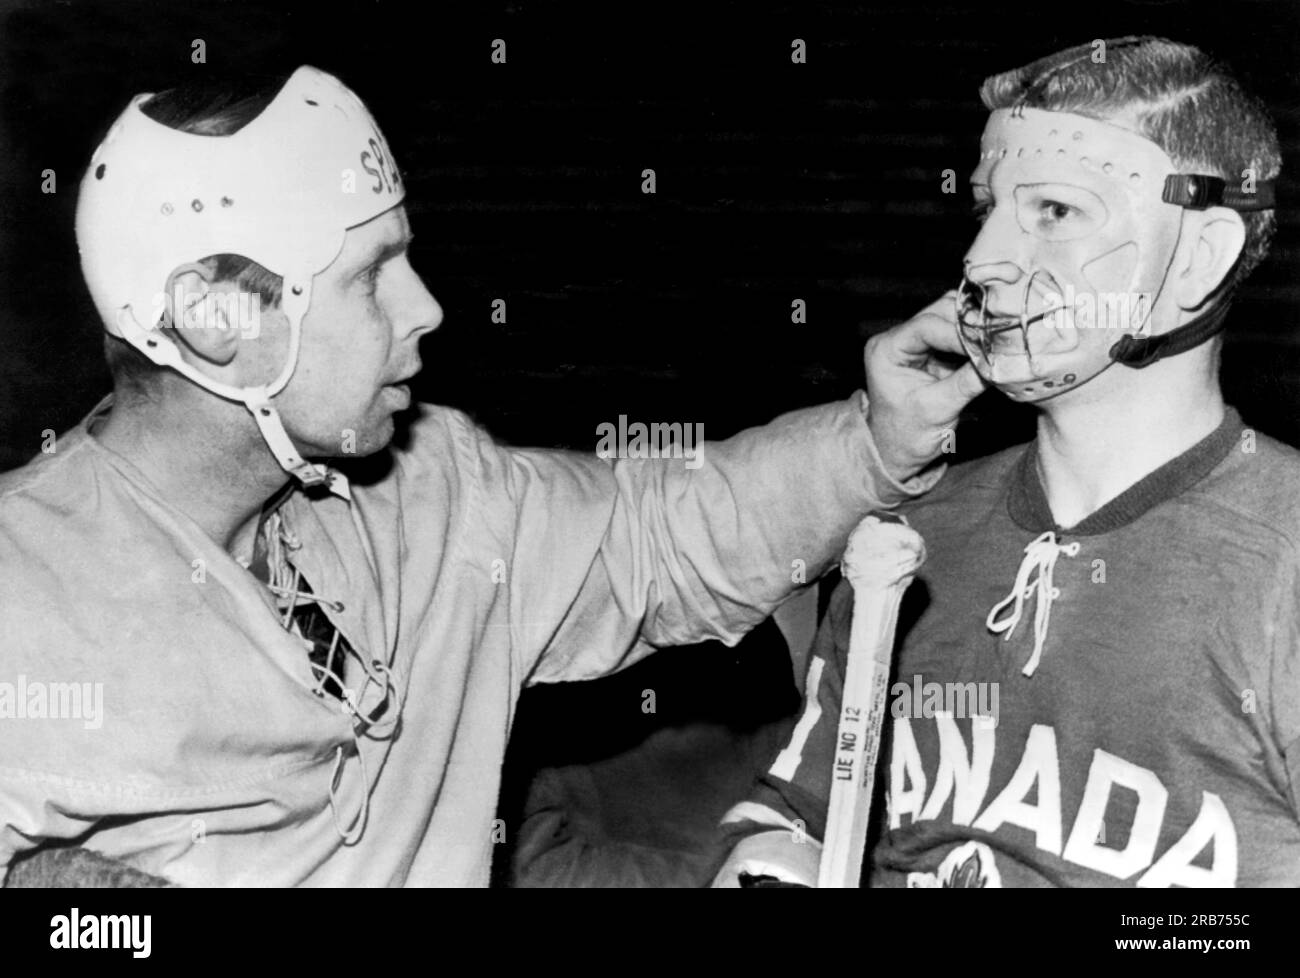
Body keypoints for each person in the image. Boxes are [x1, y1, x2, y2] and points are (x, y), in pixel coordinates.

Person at [0, 66, 977, 886]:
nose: (424, 308)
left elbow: (666, 529)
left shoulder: (432, 489)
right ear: (222, 324)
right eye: (370, 274)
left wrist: (874, 440)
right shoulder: (21, 591)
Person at [711, 36, 1298, 888]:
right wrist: (769, 860)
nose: (982, 259)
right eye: (986, 209)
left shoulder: (1282, 559)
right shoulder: (910, 536)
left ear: (1198, 259)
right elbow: (802, 816)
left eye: (1055, 210)